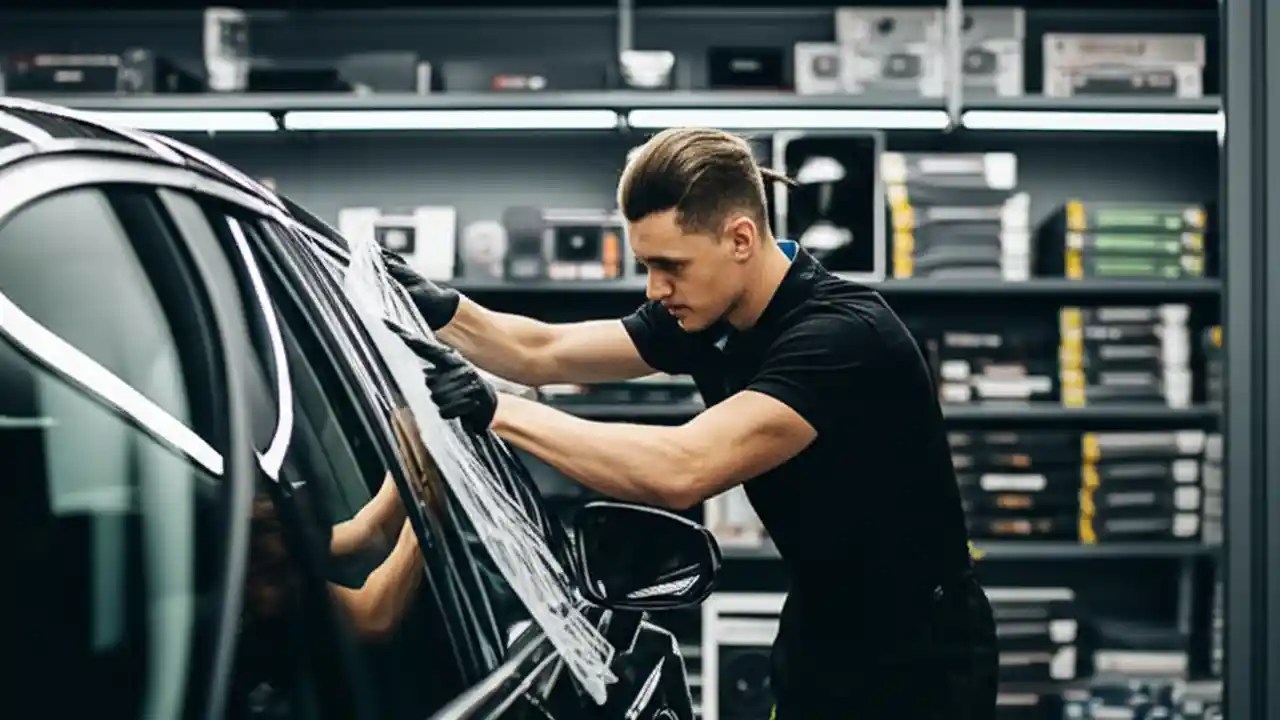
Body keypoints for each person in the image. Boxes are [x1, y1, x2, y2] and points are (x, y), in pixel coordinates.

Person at [385, 126, 997, 719]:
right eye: (648, 265)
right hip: (821, 626)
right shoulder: (704, 313)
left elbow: (682, 468)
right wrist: (442, 309)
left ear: (740, 238)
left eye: (670, 265)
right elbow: (542, 352)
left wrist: (496, 410)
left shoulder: (840, 337)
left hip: (919, 657)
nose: (654, 289)